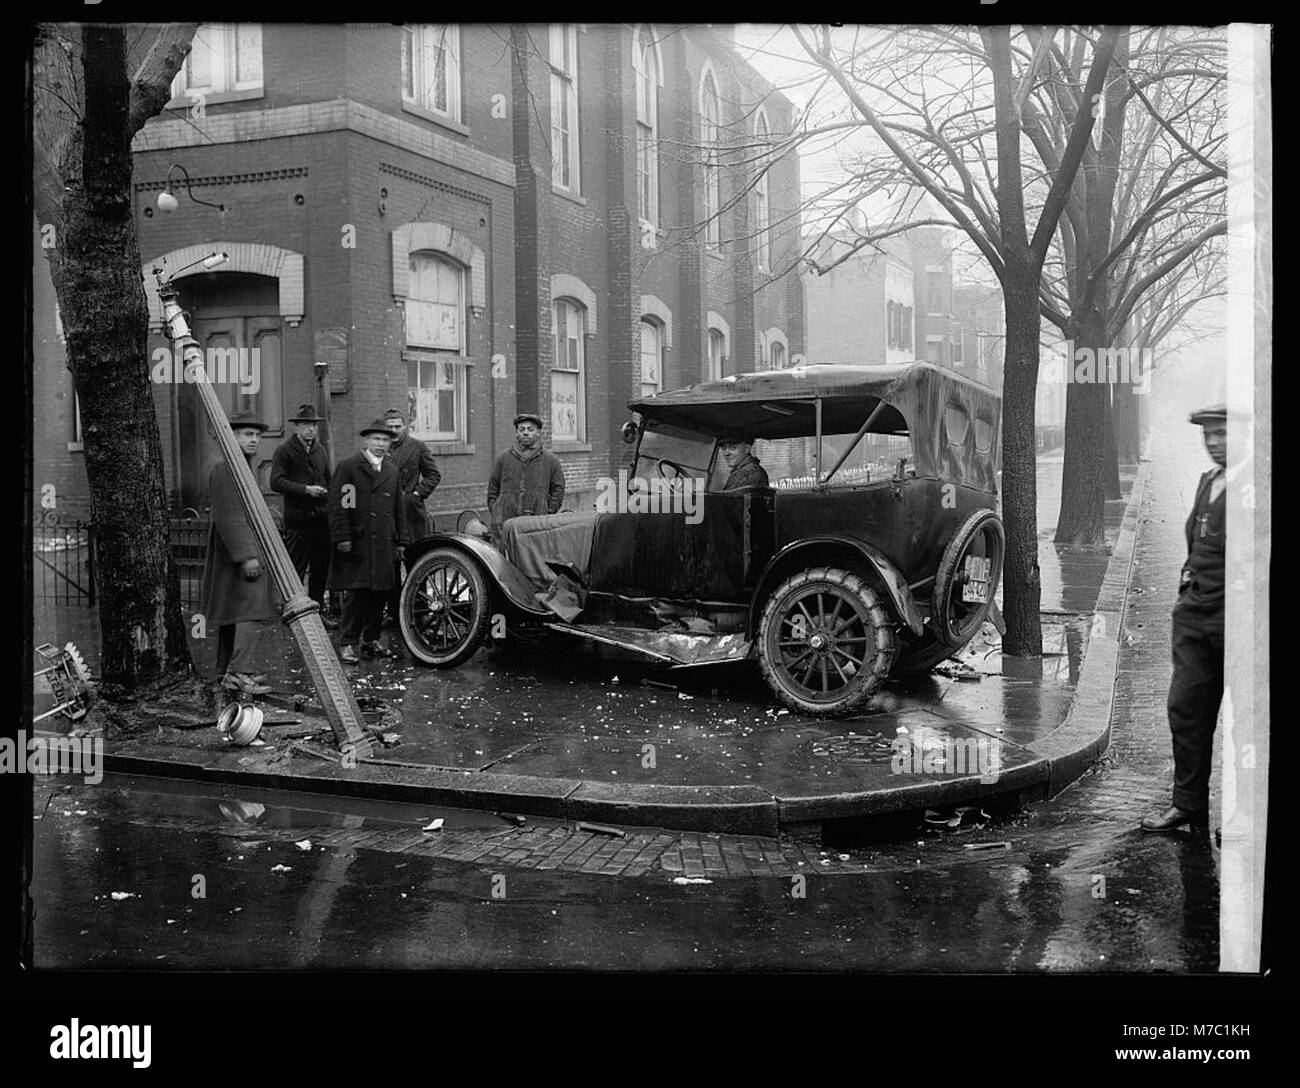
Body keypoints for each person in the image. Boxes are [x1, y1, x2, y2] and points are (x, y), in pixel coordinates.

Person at [1141, 404, 1238, 833]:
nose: (1214, 442)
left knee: (1246, 724)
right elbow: (1195, 544)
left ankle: (1246, 815)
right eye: (1208, 435)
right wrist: (1186, 589)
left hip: (1241, 622)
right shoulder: (1207, 481)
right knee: (1186, 709)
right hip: (1195, 618)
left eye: (1223, 433)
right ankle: (1188, 804)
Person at [201, 410, 278, 695]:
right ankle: (239, 672)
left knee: (234, 612)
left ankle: (225, 671)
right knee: (251, 611)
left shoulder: (241, 467)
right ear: (231, 437)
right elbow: (229, 516)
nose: (254, 439)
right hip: (238, 556)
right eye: (247, 434)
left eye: (257, 435)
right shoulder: (226, 469)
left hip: (236, 555)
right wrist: (247, 556)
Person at [327, 419, 409, 664]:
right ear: (366, 441)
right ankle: (347, 643)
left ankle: (371, 640)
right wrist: (343, 537)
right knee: (357, 594)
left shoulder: (392, 471)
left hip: (384, 543)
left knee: (380, 594)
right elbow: (341, 506)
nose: (381, 444)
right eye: (376, 439)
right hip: (359, 542)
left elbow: (398, 509)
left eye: (385, 440)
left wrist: (401, 540)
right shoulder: (350, 468)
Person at [270, 404, 337, 627]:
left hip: (321, 520)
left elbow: (329, 478)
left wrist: (327, 494)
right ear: (297, 426)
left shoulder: (320, 451)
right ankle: (292, 613)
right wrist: (306, 490)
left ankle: (317, 613)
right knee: (297, 568)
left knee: (320, 569)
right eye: (306, 425)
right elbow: (276, 482)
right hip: (299, 521)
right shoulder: (285, 451)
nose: (310, 430)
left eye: (314, 425)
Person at [382, 408, 441, 625]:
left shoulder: (417, 447)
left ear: (405, 426)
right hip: (387, 516)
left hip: (411, 516)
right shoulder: (380, 448)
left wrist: (417, 494)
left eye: (398, 426)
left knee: (416, 564)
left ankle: (420, 610)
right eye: (390, 427)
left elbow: (434, 475)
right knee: (390, 567)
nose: (394, 431)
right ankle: (394, 613)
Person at [486, 413, 566, 538]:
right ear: (517, 433)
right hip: (505, 524)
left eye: (530, 429)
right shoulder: (503, 458)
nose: (526, 433)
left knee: (533, 555)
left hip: (537, 525)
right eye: (521, 429)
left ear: (538, 433)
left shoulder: (551, 460)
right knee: (503, 556)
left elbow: (558, 490)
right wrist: (497, 510)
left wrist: (547, 511)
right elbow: (493, 489)